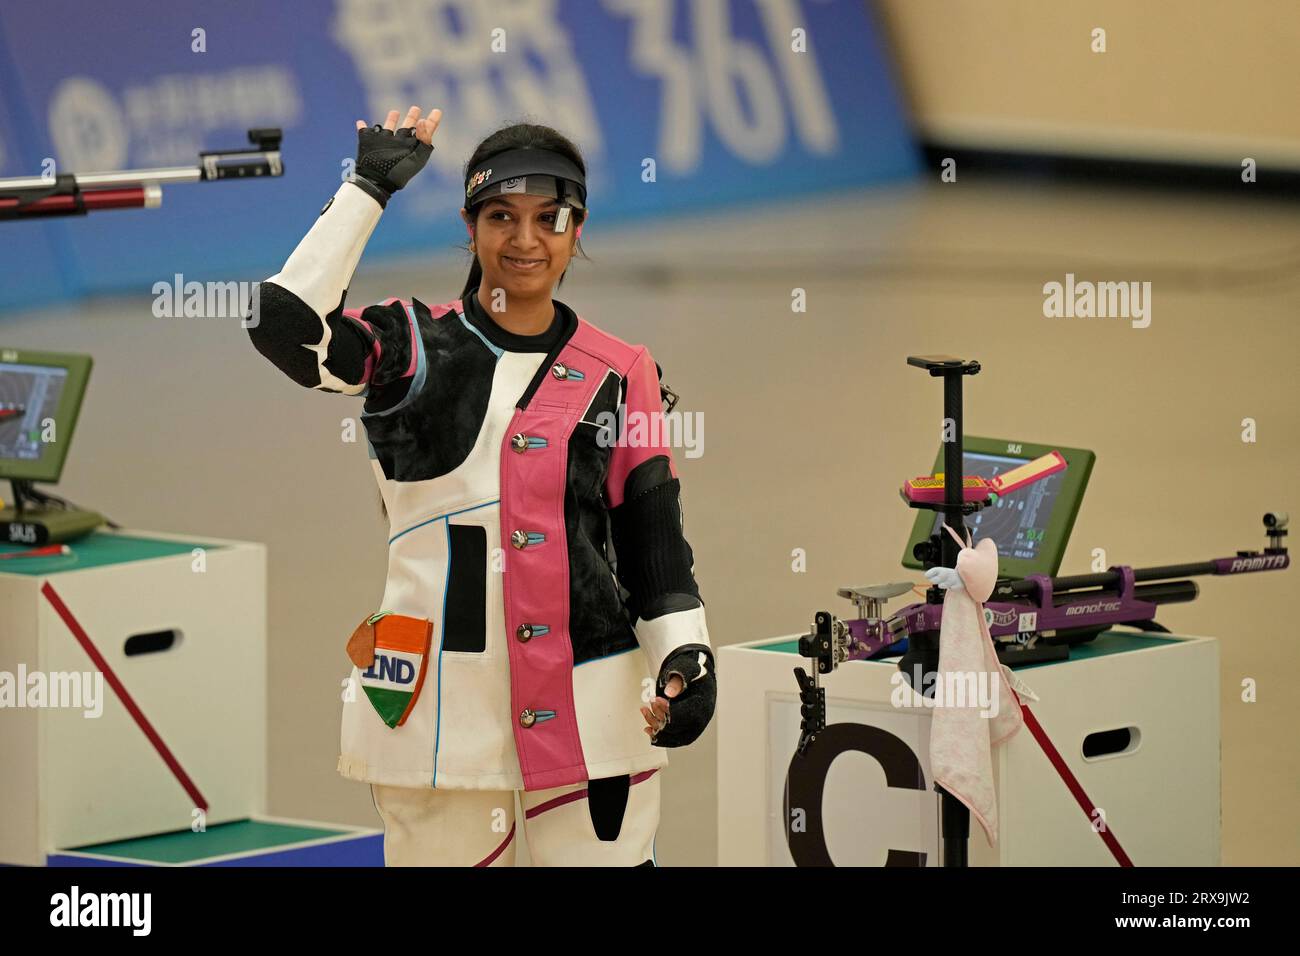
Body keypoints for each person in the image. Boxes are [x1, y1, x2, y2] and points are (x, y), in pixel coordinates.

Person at [246, 106, 715, 866]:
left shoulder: (622, 370)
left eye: (549, 218)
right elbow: (280, 324)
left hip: (591, 709)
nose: (525, 240)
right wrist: (368, 185)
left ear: (577, 229)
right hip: (437, 713)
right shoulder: (404, 346)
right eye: (501, 216)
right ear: (470, 226)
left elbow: (653, 543)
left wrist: (687, 655)